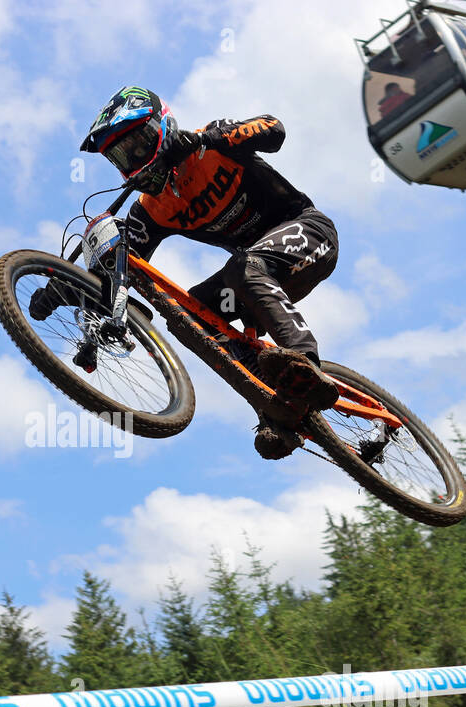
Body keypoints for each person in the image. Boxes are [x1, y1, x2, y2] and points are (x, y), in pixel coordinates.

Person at [73, 86, 342, 460]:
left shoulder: (211, 142)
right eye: (122, 154)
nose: (134, 157)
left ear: (161, 126)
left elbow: (274, 129)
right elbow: (115, 272)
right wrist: (59, 286)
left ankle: (303, 360)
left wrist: (203, 138)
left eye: (138, 143)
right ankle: (272, 408)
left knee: (244, 265)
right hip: (253, 281)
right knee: (188, 314)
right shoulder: (151, 209)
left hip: (310, 235)